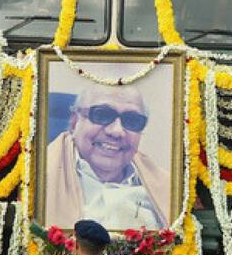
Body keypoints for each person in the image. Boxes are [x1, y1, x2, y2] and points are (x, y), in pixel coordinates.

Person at [43, 85, 170, 229]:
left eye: (132, 120)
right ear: (74, 122)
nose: (116, 131)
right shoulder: (38, 176)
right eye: (102, 115)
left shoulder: (165, 187)